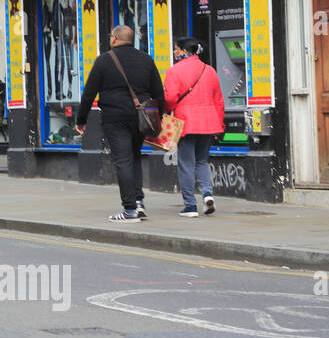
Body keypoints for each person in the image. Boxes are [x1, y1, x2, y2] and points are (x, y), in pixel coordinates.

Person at [75, 25, 164, 222]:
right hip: (141, 118)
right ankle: (138, 202)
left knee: (123, 161)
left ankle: (129, 210)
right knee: (135, 157)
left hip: (115, 118)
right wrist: (160, 118)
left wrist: (81, 119)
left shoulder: (104, 60)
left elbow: (89, 93)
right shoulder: (146, 59)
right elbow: (158, 92)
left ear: (114, 38)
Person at [164, 36, 224, 217]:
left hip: (186, 123)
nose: (174, 52)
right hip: (209, 122)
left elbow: (170, 98)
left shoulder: (174, 71)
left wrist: (165, 111)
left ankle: (190, 206)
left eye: (176, 49)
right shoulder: (210, 70)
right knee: (202, 161)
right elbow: (218, 100)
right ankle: (207, 195)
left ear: (184, 50)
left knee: (186, 164)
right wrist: (220, 124)